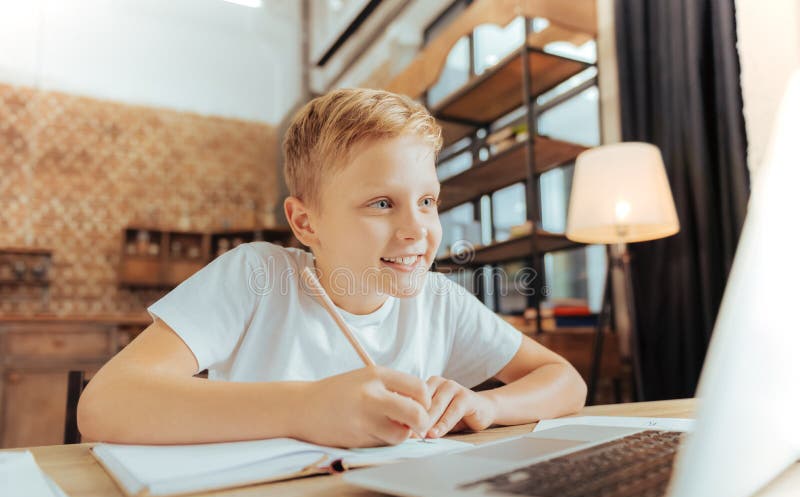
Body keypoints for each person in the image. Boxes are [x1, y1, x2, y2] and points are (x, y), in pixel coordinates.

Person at [77, 88, 587, 447]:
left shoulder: (440, 301)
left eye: (427, 201)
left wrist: (489, 407)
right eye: (382, 204)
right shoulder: (257, 276)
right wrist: (306, 408)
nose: (418, 230)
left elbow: (564, 380)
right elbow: (104, 404)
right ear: (305, 222)